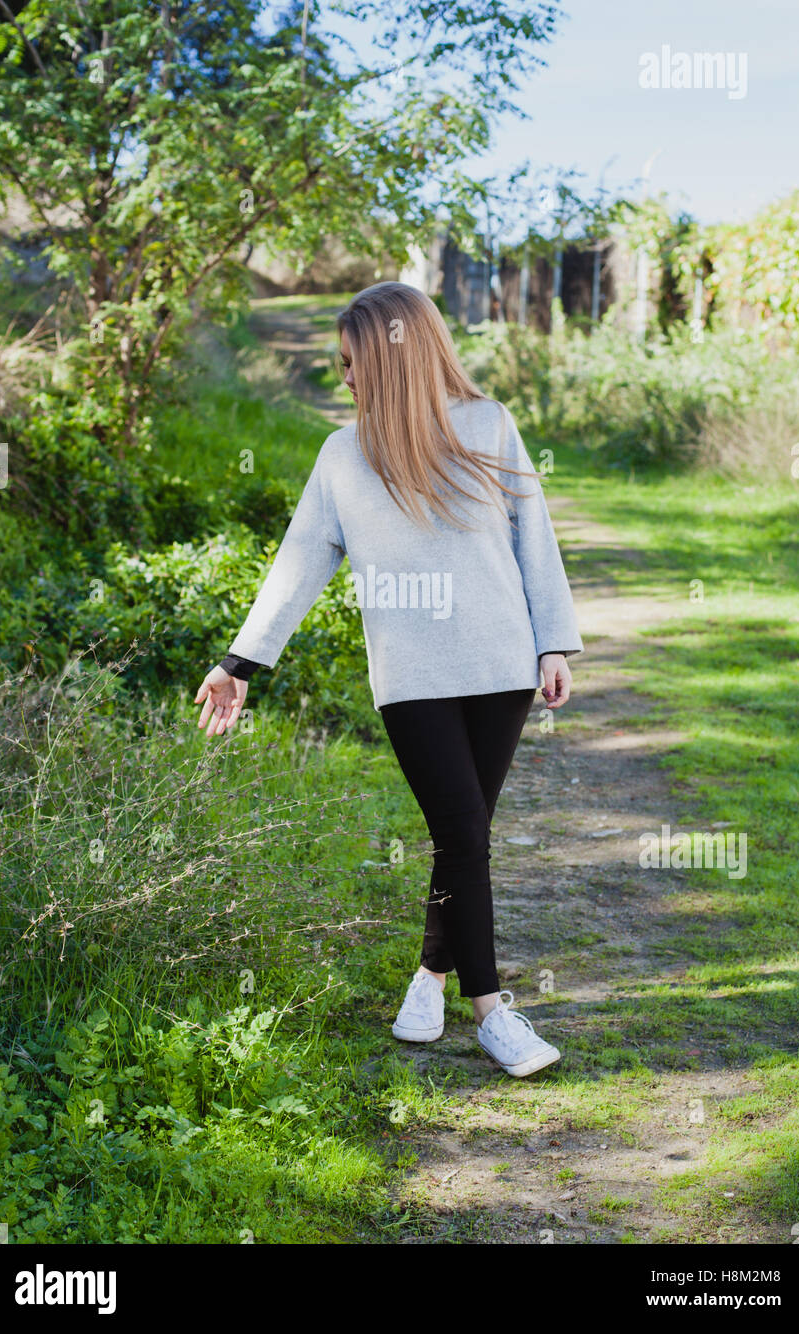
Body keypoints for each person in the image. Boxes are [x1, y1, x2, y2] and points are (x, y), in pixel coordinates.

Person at [193, 282, 583, 1078]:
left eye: (350, 362)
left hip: (501, 665)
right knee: (463, 832)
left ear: (391, 355)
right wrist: (241, 661)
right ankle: (493, 1014)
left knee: (461, 836)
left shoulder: (487, 425)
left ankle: (430, 977)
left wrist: (554, 644)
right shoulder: (343, 456)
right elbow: (299, 562)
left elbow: (532, 537)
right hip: (411, 679)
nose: (343, 378)